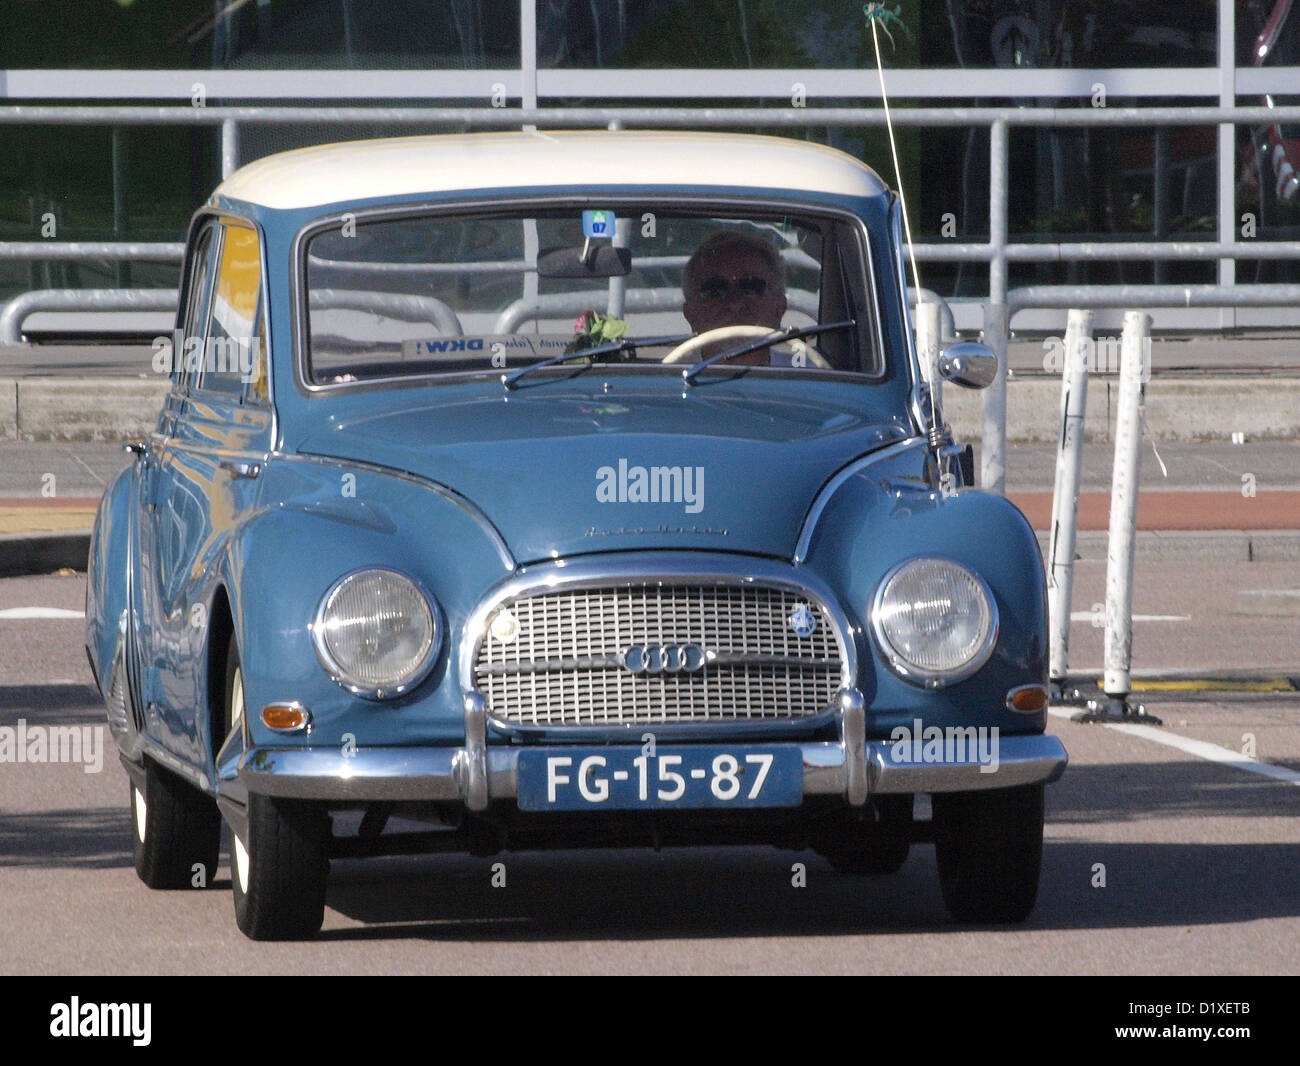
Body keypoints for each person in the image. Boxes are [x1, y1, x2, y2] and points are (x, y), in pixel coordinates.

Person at [681, 231, 789, 364]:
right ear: (691, 314)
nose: (734, 303)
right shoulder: (663, 380)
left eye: (750, 287)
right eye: (715, 290)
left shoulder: (810, 379)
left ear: (779, 309)